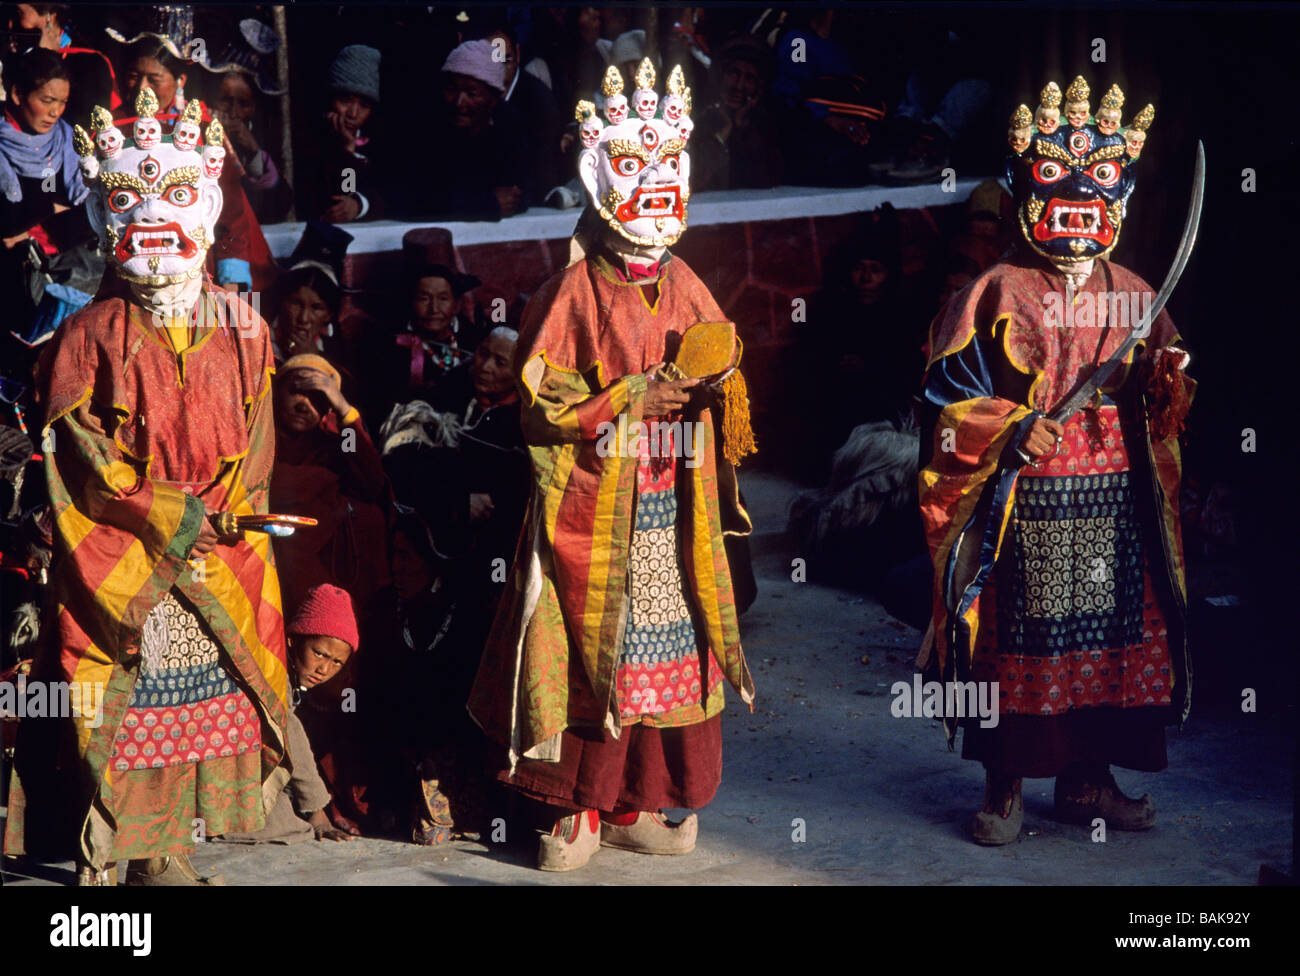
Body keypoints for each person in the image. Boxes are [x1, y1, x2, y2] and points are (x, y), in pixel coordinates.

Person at [467, 59, 757, 872]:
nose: (657, 186)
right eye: (636, 168)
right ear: (601, 181)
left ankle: (633, 803)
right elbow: (541, 404)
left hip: (671, 506)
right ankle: (572, 811)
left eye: (668, 168)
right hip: (591, 512)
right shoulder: (570, 293)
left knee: (664, 652)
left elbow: (722, 371)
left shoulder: (687, 280)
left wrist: (712, 384)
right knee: (593, 652)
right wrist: (633, 396)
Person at [3, 88, 290, 885]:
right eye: (131, 198)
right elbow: (77, 455)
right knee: (127, 714)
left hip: (218, 547)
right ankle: (112, 862)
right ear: (106, 215)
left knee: (197, 711)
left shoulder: (245, 324)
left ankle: (169, 854)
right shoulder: (86, 334)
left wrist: (232, 512)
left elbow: (258, 435)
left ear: (206, 211)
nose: (154, 218)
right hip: (127, 555)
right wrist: (172, 514)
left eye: (175, 196)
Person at [918, 78, 1195, 845]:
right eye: (1056, 184)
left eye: (1096, 187)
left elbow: (1167, 397)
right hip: (1025, 509)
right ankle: (1004, 784)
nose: (1077, 204)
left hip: (1115, 506)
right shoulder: (995, 292)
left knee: (1109, 650)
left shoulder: (1136, 292)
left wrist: (1168, 386)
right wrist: (1009, 426)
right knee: (1020, 646)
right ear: (1021, 194)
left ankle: (1088, 783)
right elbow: (944, 399)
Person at [360, 511, 494, 844]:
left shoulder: (468, 617)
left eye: (406, 556)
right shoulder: (384, 609)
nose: (396, 566)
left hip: (450, 754)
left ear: (434, 560)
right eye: (393, 555)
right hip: (394, 751)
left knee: (428, 829)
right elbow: (372, 697)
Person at [112, 37, 278, 294]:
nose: (142, 88)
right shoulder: (111, 129)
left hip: (197, 261)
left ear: (180, 81)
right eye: (134, 76)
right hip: (131, 258)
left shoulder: (200, 129)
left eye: (154, 79)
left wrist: (231, 277)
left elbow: (230, 209)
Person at [216, 585, 360, 844]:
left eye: (336, 662)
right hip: (221, 768)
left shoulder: (297, 679)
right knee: (289, 825)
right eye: (319, 653)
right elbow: (289, 731)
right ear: (293, 639)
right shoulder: (274, 670)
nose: (324, 669)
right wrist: (317, 811)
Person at [271, 354, 391, 616]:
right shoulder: (258, 438)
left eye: (317, 399)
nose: (304, 405)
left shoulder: (333, 450)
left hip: (312, 582)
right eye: (297, 392)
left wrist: (345, 410)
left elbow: (373, 484)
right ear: (277, 392)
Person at [0, 47, 97, 354]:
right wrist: (50, 209)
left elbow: (89, 208)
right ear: (17, 94)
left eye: (62, 102)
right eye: (47, 101)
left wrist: (34, 230)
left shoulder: (65, 139)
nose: (56, 112)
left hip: (57, 271)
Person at [391, 40, 526, 222]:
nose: (459, 102)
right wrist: (485, 204)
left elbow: (519, 193)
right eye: (451, 89)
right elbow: (405, 199)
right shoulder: (422, 124)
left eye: (471, 93)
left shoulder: (508, 124)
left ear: (493, 99)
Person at [364, 263, 485, 424]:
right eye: (423, 299)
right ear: (410, 303)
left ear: (456, 306)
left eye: (443, 299)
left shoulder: (472, 340)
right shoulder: (389, 347)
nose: (434, 309)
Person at [295, 44, 382, 224]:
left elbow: (349, 196)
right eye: (345, 100)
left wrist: (358, 205)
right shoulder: (306, 141)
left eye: (364, 106)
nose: (353, 113)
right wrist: (346, 151)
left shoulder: (377, 144)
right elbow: (339, 196)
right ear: (330, 99)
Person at [691, 34, 784, 191]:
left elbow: (765, 182)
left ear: (758, 88)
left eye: (750, 78)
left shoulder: (765, 127)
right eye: (734, 73)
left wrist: (740, 128)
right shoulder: (700, 123)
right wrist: (723, 133)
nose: (739, 86)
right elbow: (697, 179)